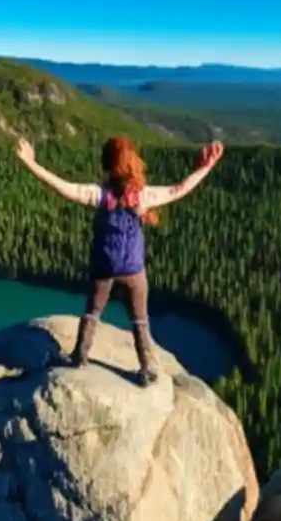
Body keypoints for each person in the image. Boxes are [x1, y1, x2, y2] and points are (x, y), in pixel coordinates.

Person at [14, 135, 225, 385]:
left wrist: (30, 162)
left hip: (104, 267)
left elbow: (62, 186)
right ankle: (147, 368)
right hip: (133, 269)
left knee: (92, 312)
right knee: (140, 319)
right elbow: (180, 188)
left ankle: (80, 357)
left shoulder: (100, 196)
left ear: (107, 165)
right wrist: (205, 167)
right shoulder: (142, 198)